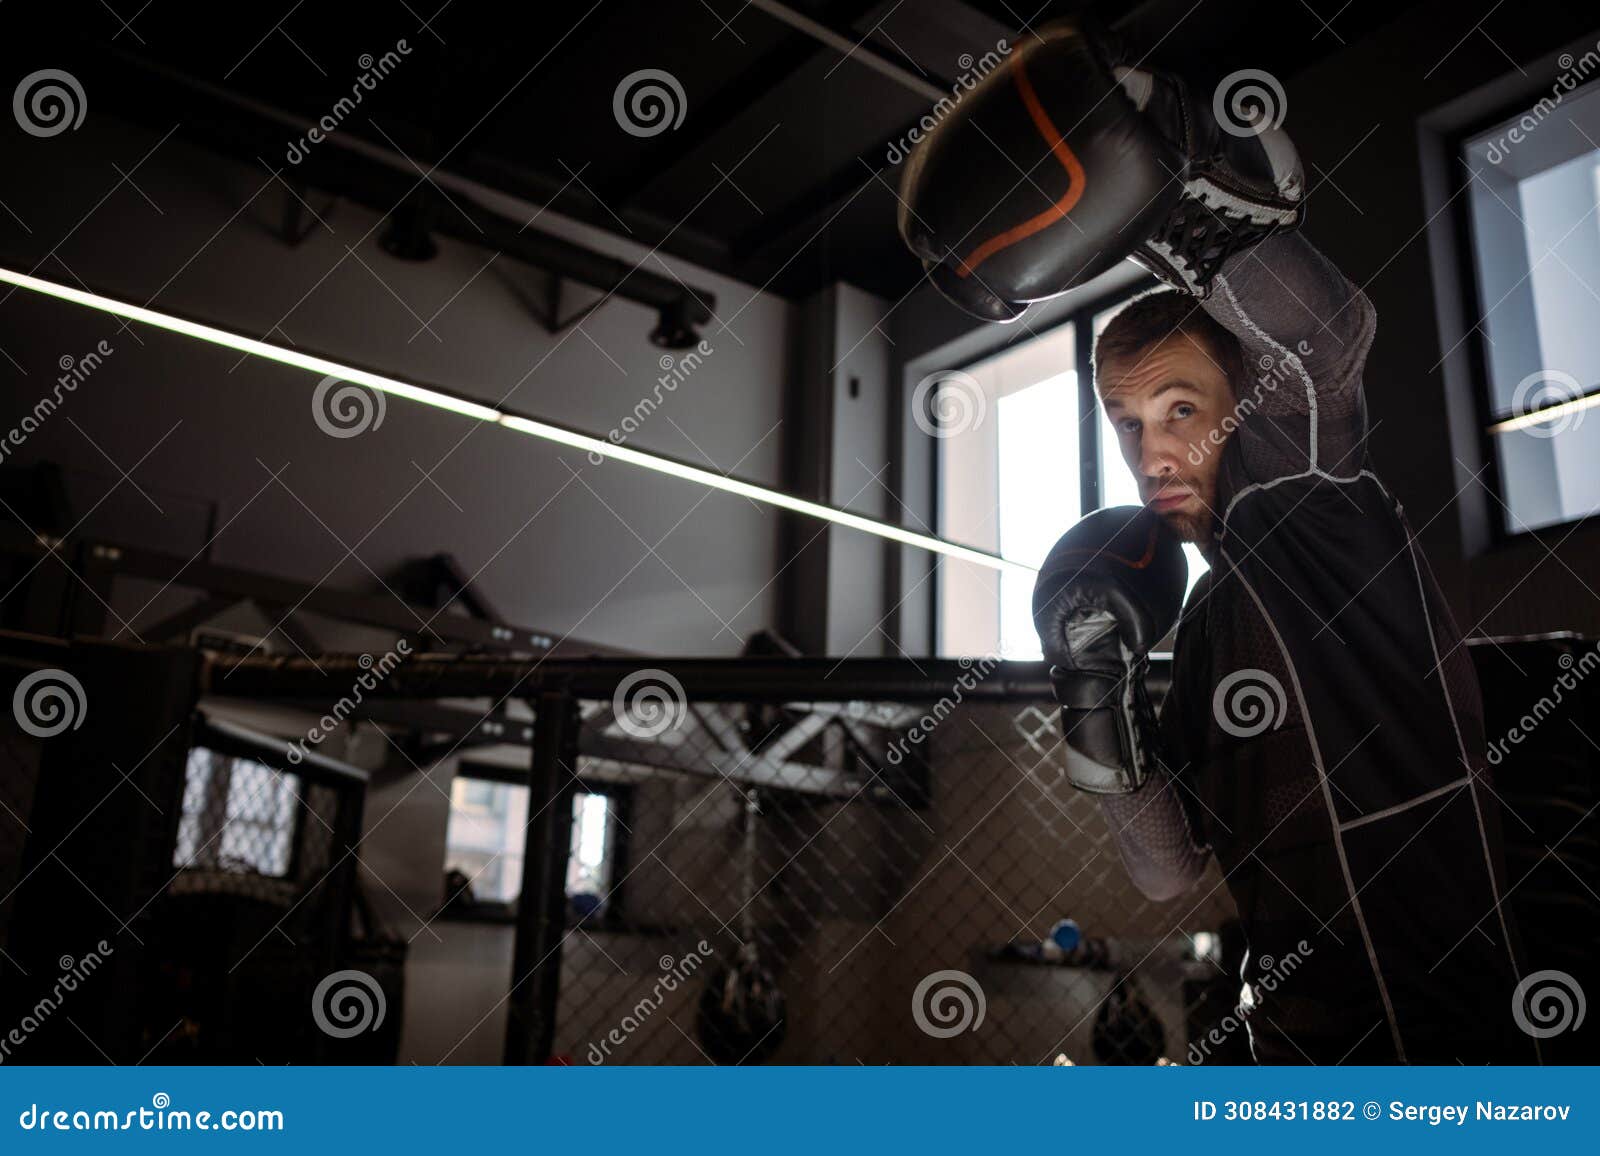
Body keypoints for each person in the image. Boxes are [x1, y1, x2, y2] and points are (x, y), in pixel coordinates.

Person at [899, 20, 1537, 1064]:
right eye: (1128, 422)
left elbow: (1322, 337)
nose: (1152, 452)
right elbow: (1166, 870)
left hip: (1453, 1044)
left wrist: (1179, 202)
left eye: (1182, 409)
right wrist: (1096, 701)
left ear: (1245, 408)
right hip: (1291, 1047)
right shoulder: (1200, 631)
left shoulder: (1313, 510)